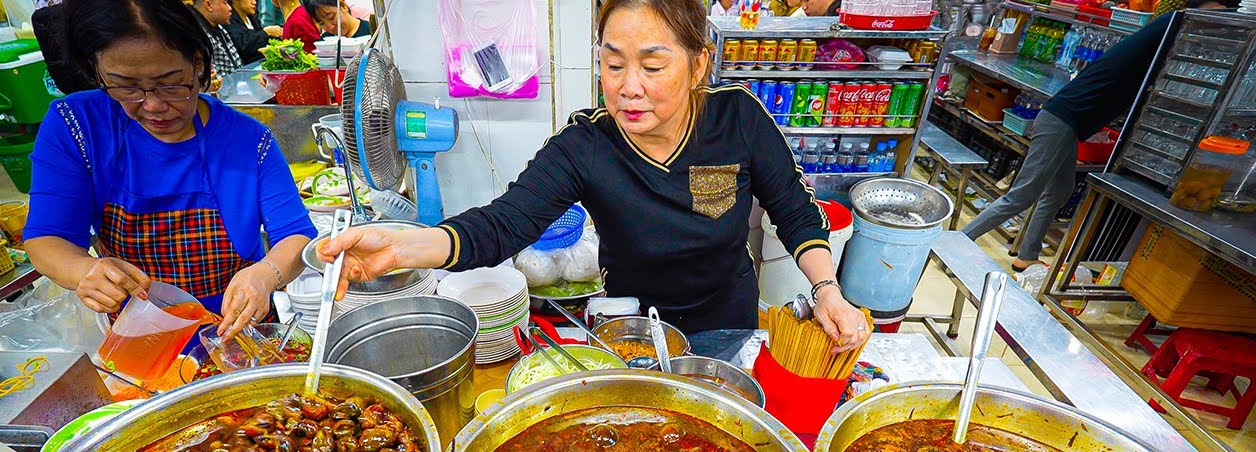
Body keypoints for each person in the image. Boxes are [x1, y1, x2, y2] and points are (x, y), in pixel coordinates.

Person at [319, 0, 870, 347]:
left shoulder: (738, 118)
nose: (629, 86)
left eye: (652, 66)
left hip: (727, 320)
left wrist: (826, 288)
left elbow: (796, 212)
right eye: (612, 64)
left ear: (699, 64)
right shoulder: (585, 145)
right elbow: (501, 226)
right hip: (630, 328)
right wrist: (403, 246)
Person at [23, 0, 315, 341]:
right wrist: (84, 270)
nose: (154, 105)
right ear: (98, 72)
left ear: (198, 64)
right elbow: (47, 238)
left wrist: (266, 274)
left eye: (171, 83)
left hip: (237, 332)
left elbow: (297, 234)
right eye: (125, 86)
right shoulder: (76, 127)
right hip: (139, 334)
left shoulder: (249, 140)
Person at [961, 3, 1228, 271]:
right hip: (1059, 122)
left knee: (1060, 191)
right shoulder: (1171, 24)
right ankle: (958, 244)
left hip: (1067, 125)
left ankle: (1027, 255)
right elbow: (1181, 21)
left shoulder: (1145, 53)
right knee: (1021, 196)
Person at [190, 0, 244, 76]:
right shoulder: (195, 34)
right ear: (208, 5)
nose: (230, 8)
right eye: (225, 3)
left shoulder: (219, 26)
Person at [225, 0, 281, 65]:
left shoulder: (252, 17)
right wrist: (265, 33)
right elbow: (242, 46)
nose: (254, 2)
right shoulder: (229, 20)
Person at [303, 0, 371, 38]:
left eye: (331, 17)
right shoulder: (324, 42)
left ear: (343, 6)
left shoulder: (371, 33)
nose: (330, 27)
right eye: (322, 23)